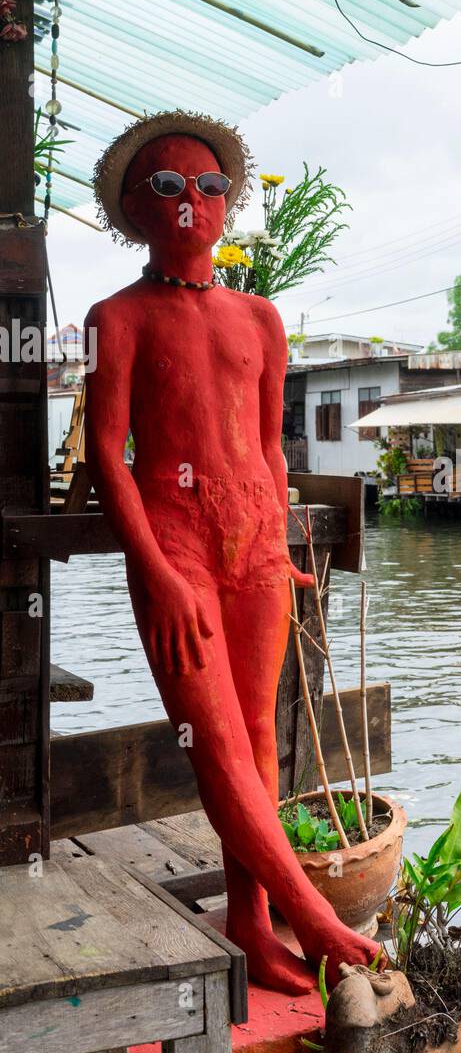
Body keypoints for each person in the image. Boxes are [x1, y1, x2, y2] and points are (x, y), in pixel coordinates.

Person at [86, 112, 381, 993]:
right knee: (213, 739)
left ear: (229, 207)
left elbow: (269, 447)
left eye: (208, 187)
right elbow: (109, 454)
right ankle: (318, 921)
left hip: (254, 536)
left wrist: (285, 538)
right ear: (136, 208)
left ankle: (251, 922)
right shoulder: (118, 316)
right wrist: (156, 569)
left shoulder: (260, 317)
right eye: (168, 186)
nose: (191, 202)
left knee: (258, 734)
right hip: (174, 538)